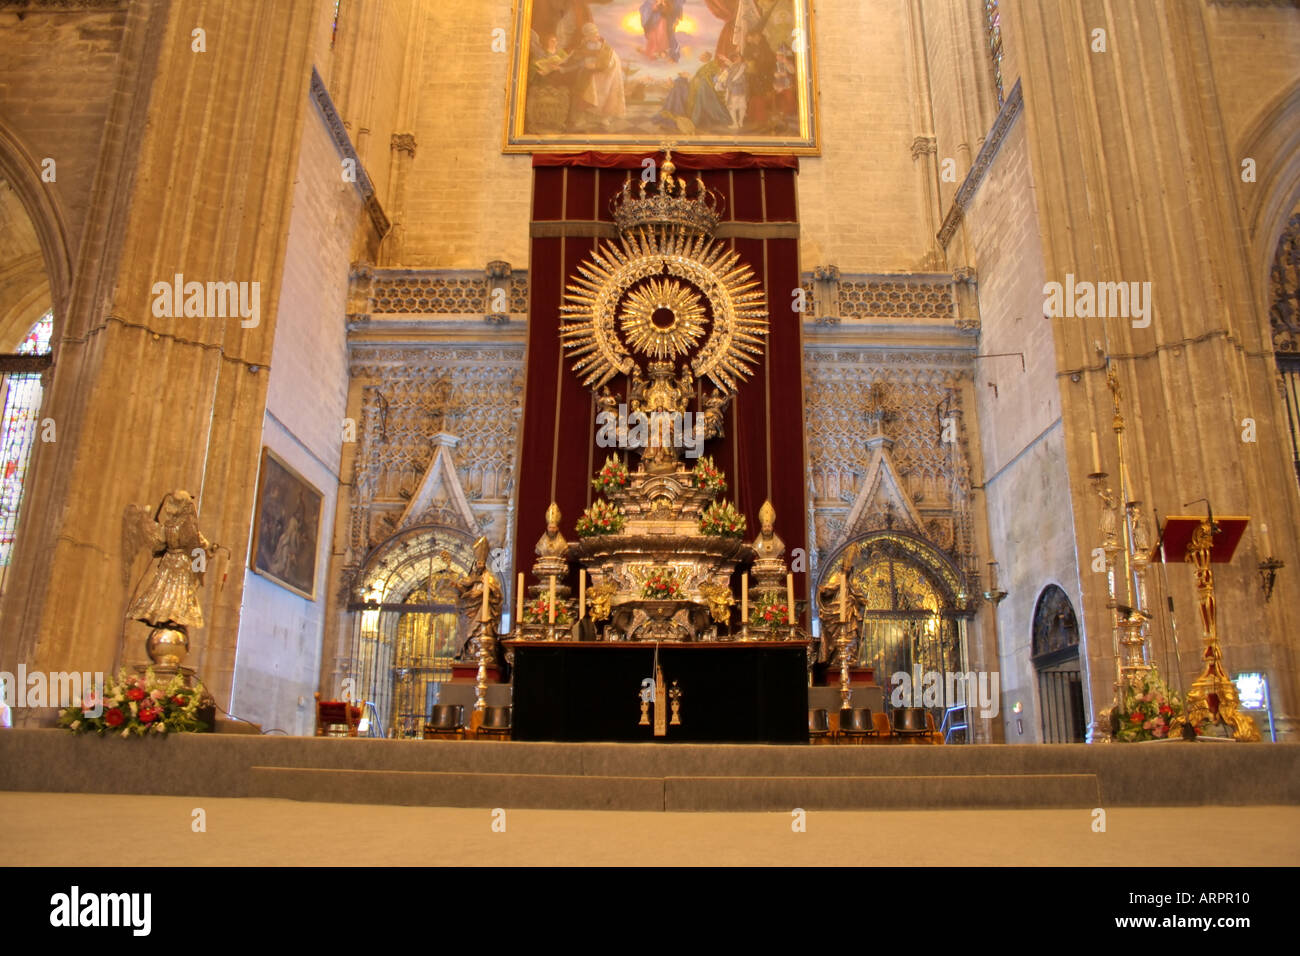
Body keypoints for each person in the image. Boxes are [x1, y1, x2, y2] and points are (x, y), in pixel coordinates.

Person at [558, 22, 626, 128]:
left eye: (596, 33)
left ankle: (603, 118)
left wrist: (596, 65)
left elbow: (611, 61)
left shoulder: (606, 48)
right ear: (587, 37)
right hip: (587, 76)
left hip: (604, 77)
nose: (597, 35)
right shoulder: (583, 47)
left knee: (604, 99)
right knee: (582, 97)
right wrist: (564, 68)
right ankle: (582, 118)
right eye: (593, 34)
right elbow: (576, 60)